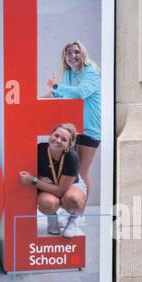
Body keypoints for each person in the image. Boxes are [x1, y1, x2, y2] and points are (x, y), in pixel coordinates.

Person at [45, 42, 102, 195]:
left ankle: (79, 215)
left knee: (81, 174)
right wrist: (36, 100)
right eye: (68, 53)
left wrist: (56, 86)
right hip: (72, 129)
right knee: (71, 174)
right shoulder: (68, 73)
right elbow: (59, 94)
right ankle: (71, 213)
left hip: (90, 129)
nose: (72, 56)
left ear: (83, 53)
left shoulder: (91, 71)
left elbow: (79, 93)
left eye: (76, 52)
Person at [18, 123, 87, 238]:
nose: (58, 140)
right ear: (50, 135)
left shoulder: (72, 157)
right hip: (48, 186)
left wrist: (34, 181)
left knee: (73, 199)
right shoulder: (39, 149)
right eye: (56, 135)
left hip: (70, 186)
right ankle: (52, 218)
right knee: (48, 203)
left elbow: (60, 191)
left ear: (68, 145)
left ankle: (74, 219)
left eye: (64, 139)